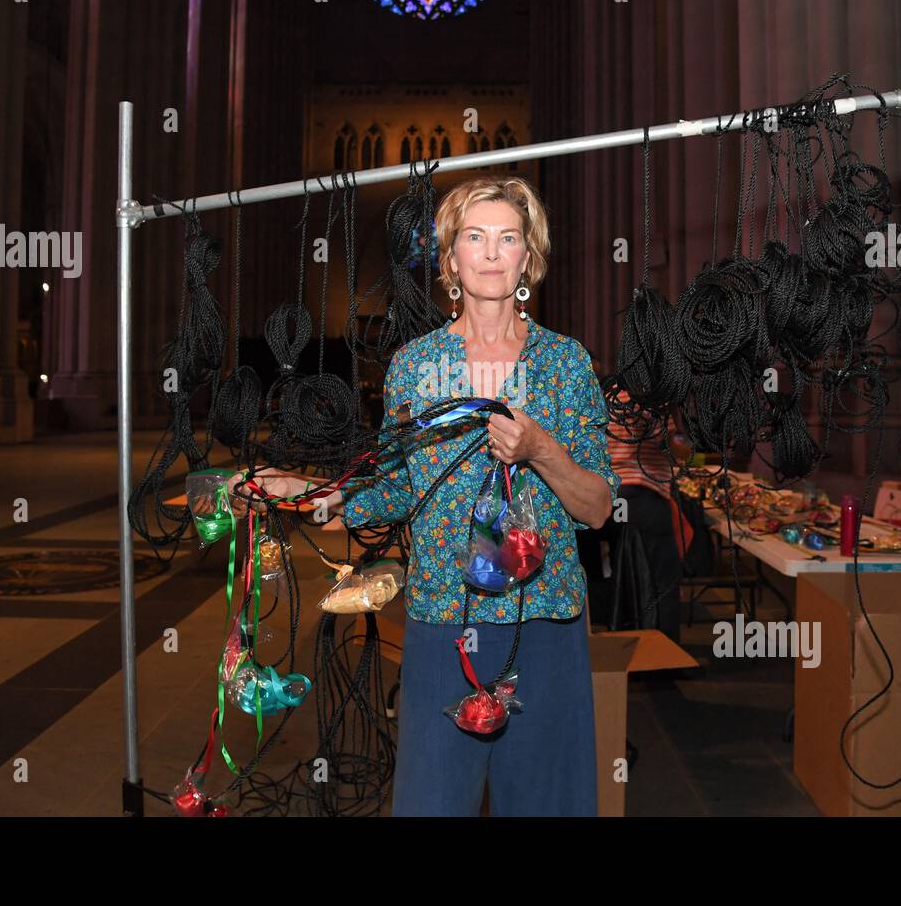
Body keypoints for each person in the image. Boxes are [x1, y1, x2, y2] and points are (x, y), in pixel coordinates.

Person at [236, 176, 621, 816]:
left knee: (549, 806)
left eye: (508, 238)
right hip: (446, 624)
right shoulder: (416, 366)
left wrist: (540, 450)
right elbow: (393, 490)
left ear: (529, 257)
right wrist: (310, 493)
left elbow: (598, 507)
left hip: (545, 626)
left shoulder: (565, 364)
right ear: (450, 258)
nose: (492, 252)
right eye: (475, 237)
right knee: (430, 804)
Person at [604, 388, 693, 640]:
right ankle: (662, 659)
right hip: (643, 496)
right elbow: (675, 448)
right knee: (660, 582)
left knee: (628, 575)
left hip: (613, 496)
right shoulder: (650, 397)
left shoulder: (612, 395)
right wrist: (681, 436)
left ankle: (630, 648)